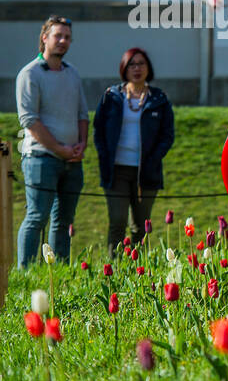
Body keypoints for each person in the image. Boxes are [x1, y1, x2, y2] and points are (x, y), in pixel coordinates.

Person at [15, 16, 90, 268]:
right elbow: (29, 120)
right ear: (44, 37)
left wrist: (81, 145)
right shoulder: (30, 74)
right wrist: (59, 149)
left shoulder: (72, 73)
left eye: (67, 37)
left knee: (64, 221)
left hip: (72, 160)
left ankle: (59, 273)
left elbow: (82, 114)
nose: (63, 41)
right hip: (41, 159)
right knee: (36, 217)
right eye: (58, 35)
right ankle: (25, 273)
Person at [93, 47, 175, 252]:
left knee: (141, 226)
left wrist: (154, 159)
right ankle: (114, 270)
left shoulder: (159, 99)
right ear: (124, 68)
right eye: (132, 64)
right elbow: (99, 131)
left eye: (141, 63)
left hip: (146, 172)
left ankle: (140, 272)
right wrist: (104, 157)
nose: (137, 68)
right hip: (116, 170)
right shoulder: (111, 96)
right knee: (117, 221)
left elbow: (167, 135)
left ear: (148, 68)